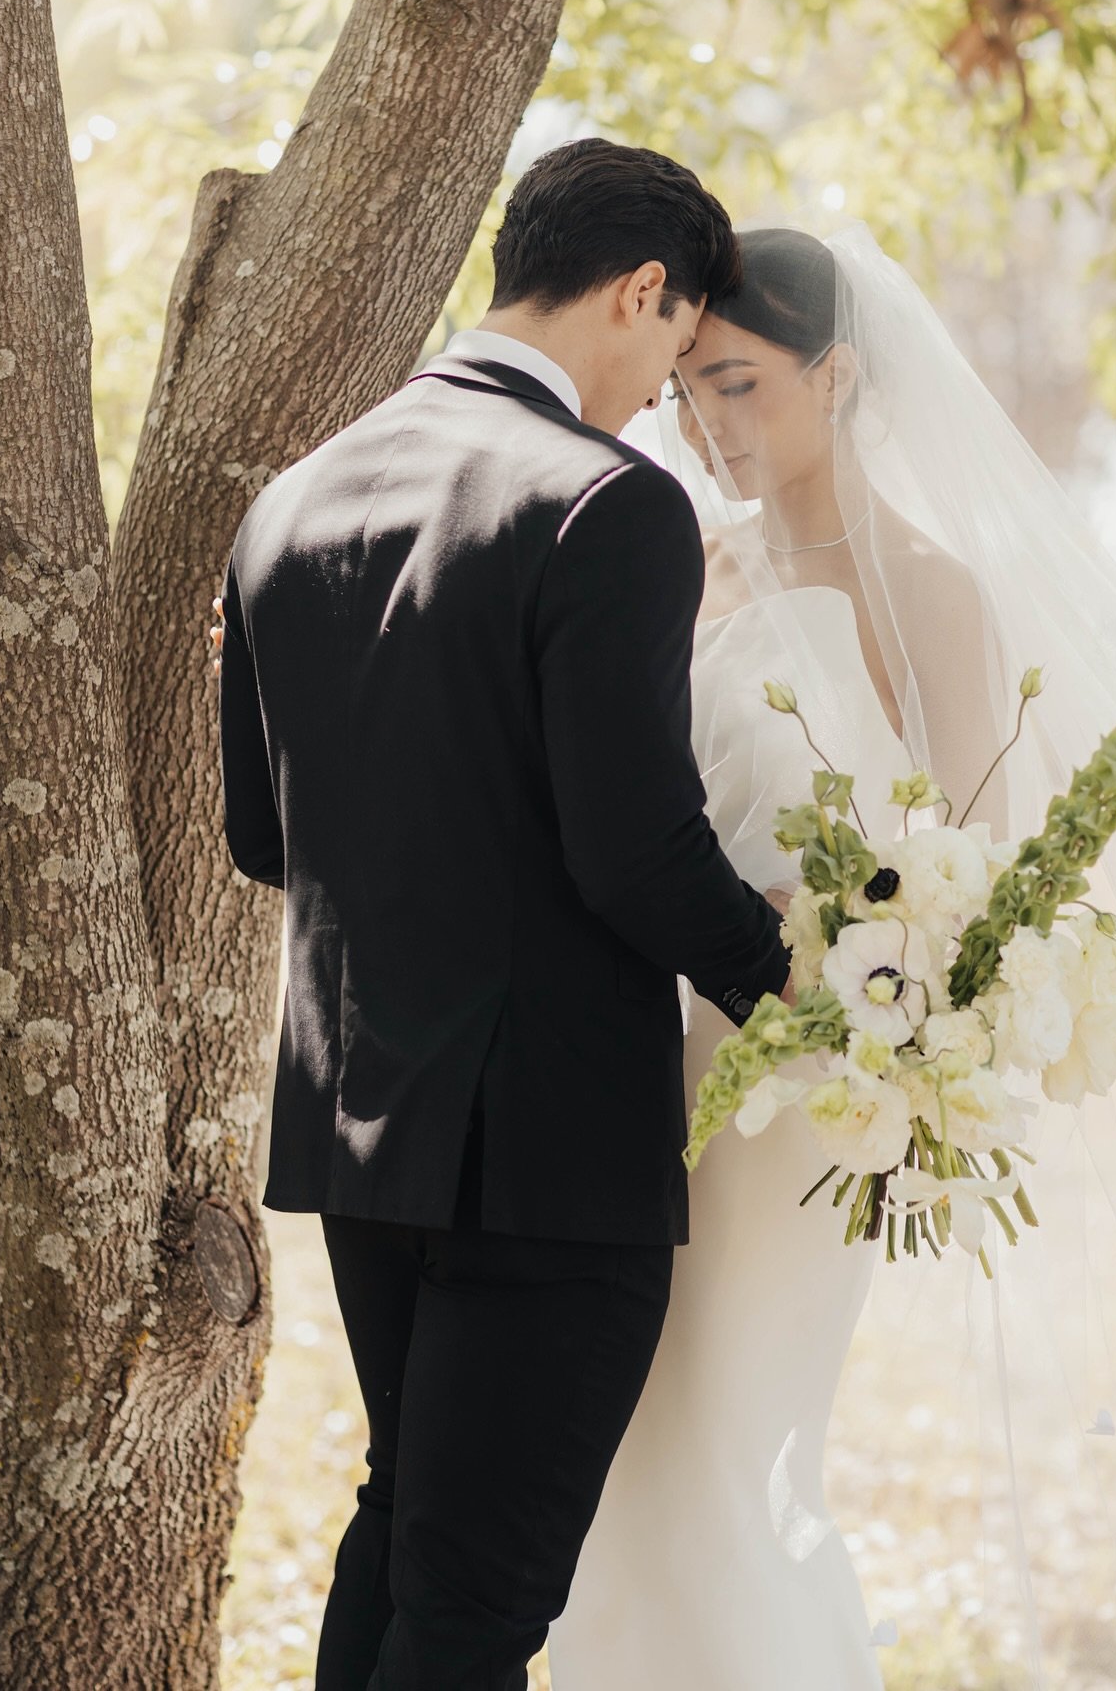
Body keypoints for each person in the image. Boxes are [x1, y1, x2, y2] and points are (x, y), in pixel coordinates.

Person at [550, 225, 1116, 1685]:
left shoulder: (938, 594)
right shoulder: (690, 570)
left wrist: (872, 1006)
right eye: (686, 395)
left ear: (841, 374)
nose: (707, 429)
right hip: (649, 1070)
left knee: (721, 1450)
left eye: (740, 386)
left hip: (808, 1101)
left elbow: (974, 884)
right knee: (618, 1460)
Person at [214, 140, 795, 1691]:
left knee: (410, 1527)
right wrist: (798, 984)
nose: (668, 389)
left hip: (357, 1125)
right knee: (475, 1608)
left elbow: (261, 837)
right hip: (549, 1150)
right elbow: (638, 854)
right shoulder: (609, 505)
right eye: (677, 346)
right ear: (645, 290)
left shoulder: (291, 500)